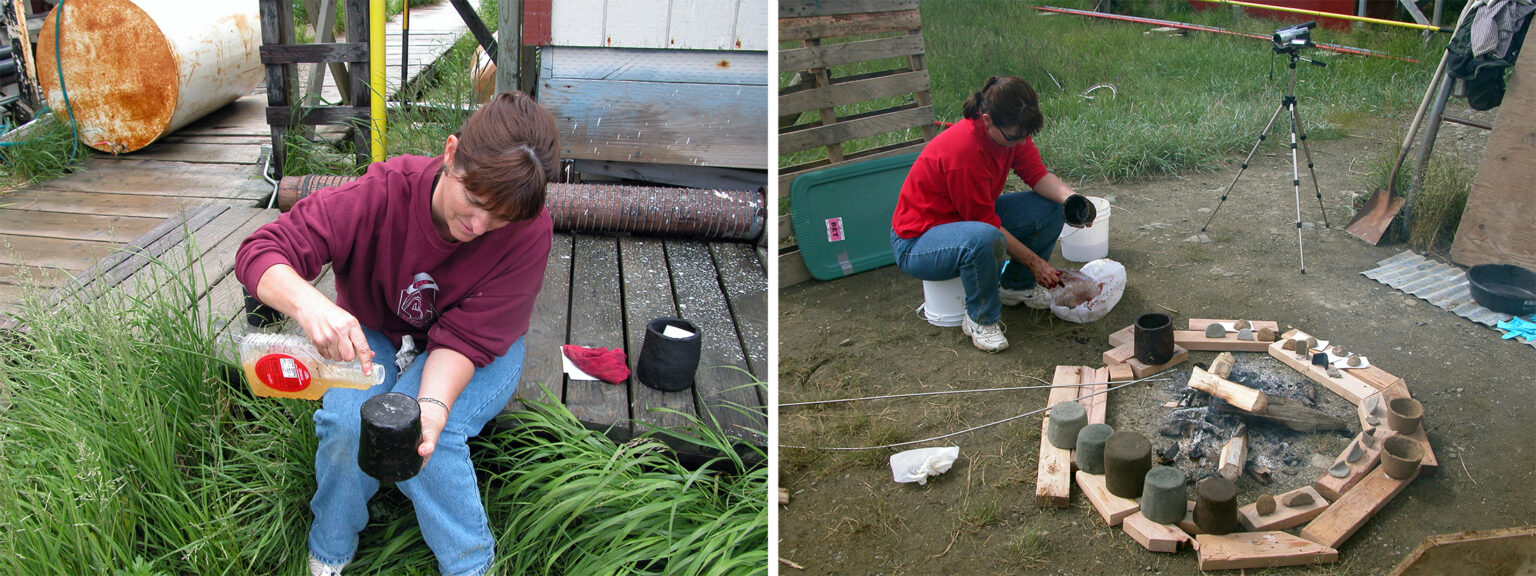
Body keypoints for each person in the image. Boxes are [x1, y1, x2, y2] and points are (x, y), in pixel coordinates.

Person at [234, 91, 559, 576]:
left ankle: (470, 564)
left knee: (430, 435)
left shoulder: (529, 231)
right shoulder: (384, 192)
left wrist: (429, 406)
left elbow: (465, 343)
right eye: (473, 200)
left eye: (499, 218)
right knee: (347, 424)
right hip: (378, 329)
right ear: (450, 154)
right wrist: (310, 304)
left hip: (477, 347)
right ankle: (329, 552)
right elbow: (261, 250)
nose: (477, 225)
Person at [889, 76, 1088, 353]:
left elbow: (1036, 174)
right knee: (984, 238)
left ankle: (1017, 287)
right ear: (987, 120)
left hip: (966, 223)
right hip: (918, 242)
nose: (1019, 143)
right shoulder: (964, 152)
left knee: (1049, 208)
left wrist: (1072, 200)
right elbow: (984, 222)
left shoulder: (1010, 132)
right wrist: (1034, 262)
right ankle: (980, 318)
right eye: (1013, 137)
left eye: (1024, 136)